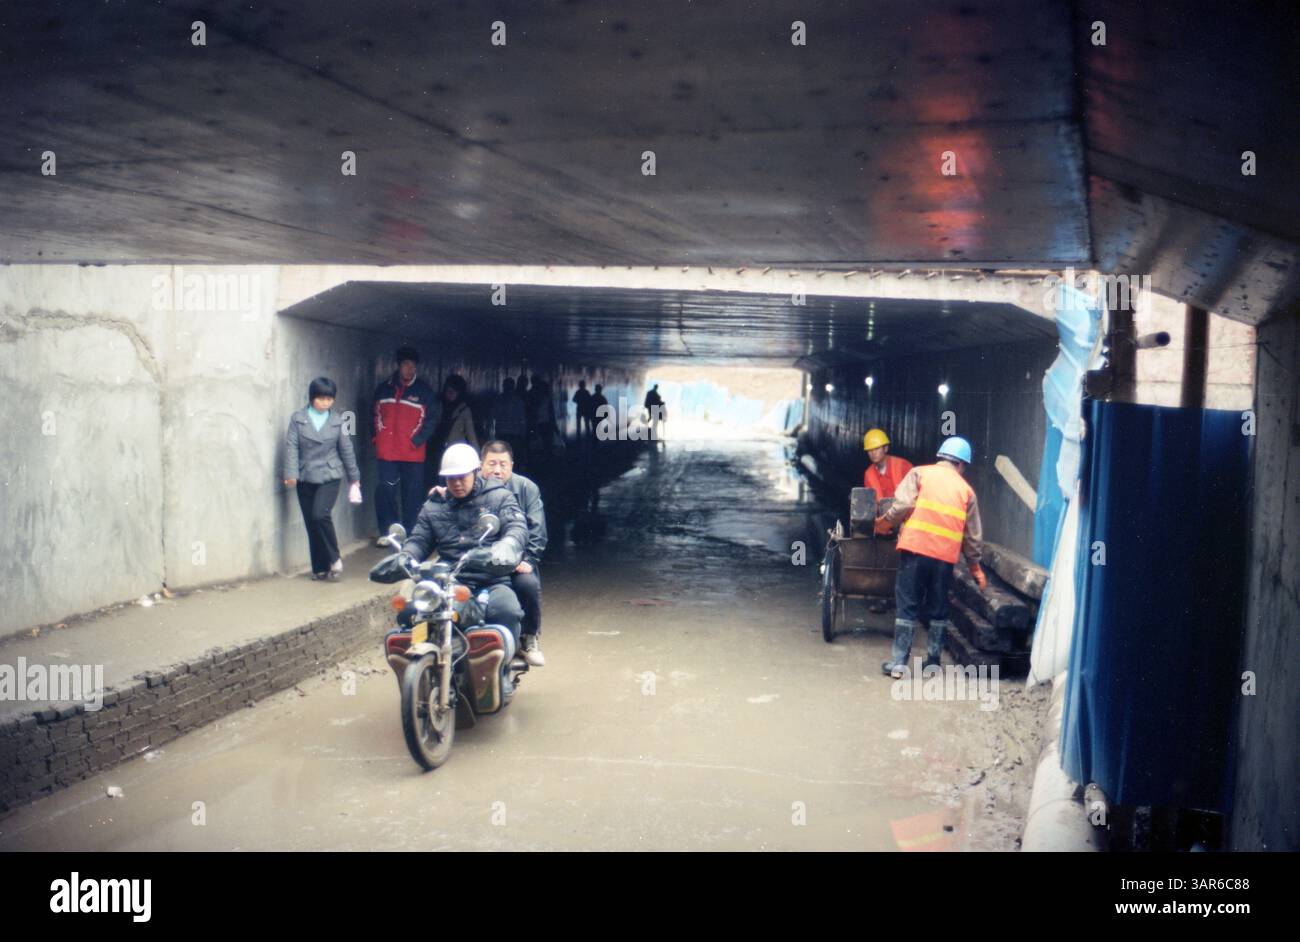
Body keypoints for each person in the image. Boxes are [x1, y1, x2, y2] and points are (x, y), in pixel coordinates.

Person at [877, 436, 988, 679]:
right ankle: (933, 663)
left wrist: (885, 523)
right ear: (961, 465)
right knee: (938, 608)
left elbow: (903, 505)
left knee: (907, 605)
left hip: (915, 551)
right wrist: (975, 568)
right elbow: (972, 537)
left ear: (941, 458)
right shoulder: (966, 491)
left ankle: (898, 664)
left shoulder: (920, 474)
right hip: (944, 558)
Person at [401, 443, 528, 643]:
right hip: (449, 580)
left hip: (491, 579)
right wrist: (405, 556)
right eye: (451, 478)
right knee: (413, 614)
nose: (457, 483)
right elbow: (419, 540)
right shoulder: (433, 506)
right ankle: (418, 657)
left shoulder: (500, 497)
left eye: (462, 476)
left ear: (475, 472)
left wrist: (506, 546)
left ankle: (503, 662)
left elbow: (516, 528)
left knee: (507, 611)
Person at [283, 377, 361, 580]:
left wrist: (355, 478)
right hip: (305, 475)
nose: (325, 403)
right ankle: (319, 568)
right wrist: (291, 473)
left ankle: (334, 558)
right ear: (311, 398)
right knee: (311, 522)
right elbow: (292, 446)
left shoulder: (338, 421)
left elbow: (346, 450)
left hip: (330, 475)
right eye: (321, 398)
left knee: (320, 515)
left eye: (329, 399)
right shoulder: (298, 419)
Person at [480, 441, 548, 666]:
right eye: (491, 464)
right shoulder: (471, 486)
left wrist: (529, 559)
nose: (497, 470)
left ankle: (529, 637)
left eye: (503, 464)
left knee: (528, 585)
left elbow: (537, 529)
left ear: (511, 465)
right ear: (481, 466)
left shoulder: (526, 488)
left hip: (516, 561)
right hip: (481, 561)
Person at [372, 346, 437, 543]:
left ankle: (410, 534)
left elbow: (432, 420)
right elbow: (374, 415)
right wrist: (377, 438)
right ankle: (388, 533)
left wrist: (416, 441)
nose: (410, 369)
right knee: (386, 491)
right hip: (387, 453)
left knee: (412, 495)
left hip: (412, 453)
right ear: (398, 365)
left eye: (413, 366)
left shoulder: (424, 391)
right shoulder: (383, 389)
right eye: (406, 365)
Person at [426, 373, 477, 488]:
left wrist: (478, 459)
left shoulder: (464, 410)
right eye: (448, 390)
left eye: (454, 391)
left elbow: (471, 436)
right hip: (436, 452)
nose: (450, 393)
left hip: (455, 455)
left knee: (452, 484)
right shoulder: (438, 406)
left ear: (460, 392)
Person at [862, 428, 913, 536]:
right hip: (885, 524)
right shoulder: (869, 474)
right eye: (869, 450)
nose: (873, 453)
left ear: (886, 448)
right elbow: (872, 506)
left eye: (876, 448)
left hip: (906, 521)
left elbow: (914, 498)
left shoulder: (903, 466)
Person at [491, 376, 529, 465]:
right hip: (515, 434)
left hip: (502, 433)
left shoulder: (498, 400)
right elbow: (522, 419)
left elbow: (492, 417)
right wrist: (523, 433)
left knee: (502, 456)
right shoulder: (518, 401)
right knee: (513, 457)